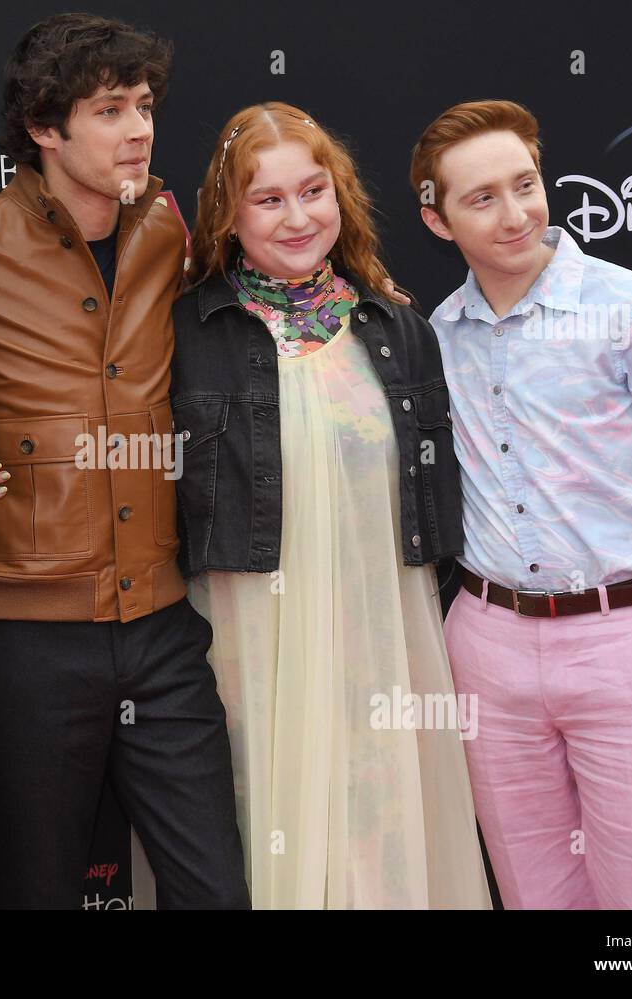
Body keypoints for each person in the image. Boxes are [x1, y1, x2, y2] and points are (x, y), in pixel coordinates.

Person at [0, 13, 249, 908]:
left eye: (143, 105)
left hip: (166, 623)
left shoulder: (171, 232)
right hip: (27, 638)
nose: (138, 127)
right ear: (43, 128)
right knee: (38, 889)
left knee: (216, 888)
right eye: (108, 109)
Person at [169, 102, 491, 908]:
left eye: (313, 191)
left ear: (340, 195)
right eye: (267, 199)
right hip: (252, 651)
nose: (297, 216)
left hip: (384, 643)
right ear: (228, 215)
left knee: (382, 846)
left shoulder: (396, 327)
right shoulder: (185, 332)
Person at [411, 99, 632, 909]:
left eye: (526, 184)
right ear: (436, 219)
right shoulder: (438, 334)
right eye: (482, 198)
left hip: (627, 643)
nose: (517, 215)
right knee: (534, 894)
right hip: (487, 650)